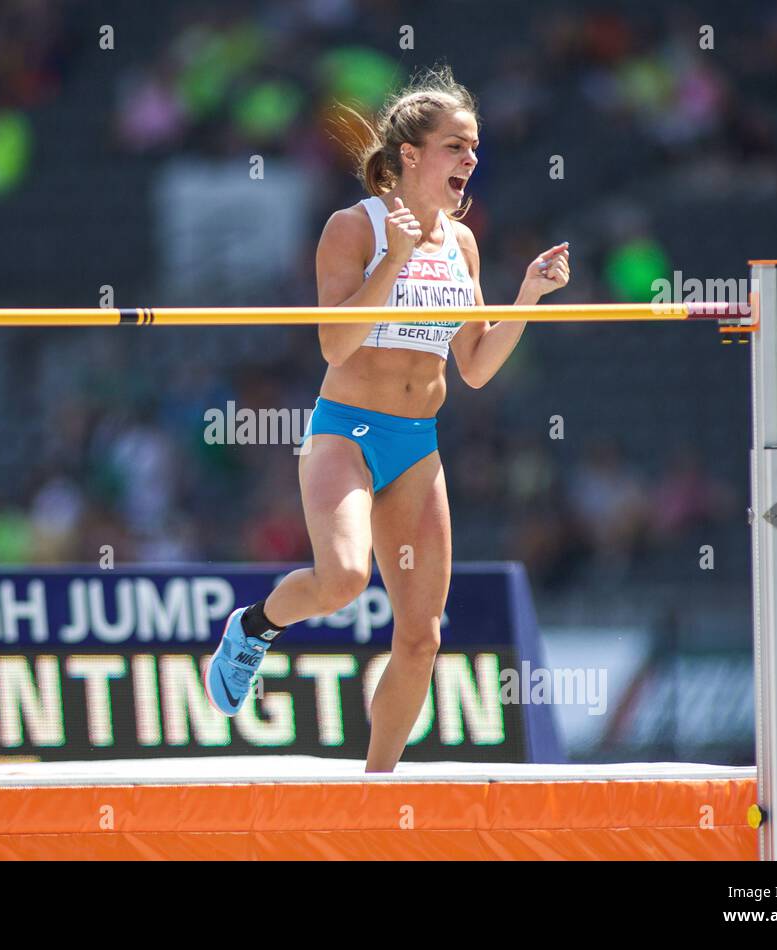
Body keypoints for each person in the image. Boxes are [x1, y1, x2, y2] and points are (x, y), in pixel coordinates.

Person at [206, 65, 570, 772]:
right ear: (410, 155)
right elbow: (334, 343)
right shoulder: (353, 228)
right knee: (343, 579)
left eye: (474, 147)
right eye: (455, 146)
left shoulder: (462, 244)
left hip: (416, 446)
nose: (471, 159)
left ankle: (376, 793)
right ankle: (255, 627)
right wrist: (393, 260)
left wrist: (528, 293)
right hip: (345, 434)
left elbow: (474, 365)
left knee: (421, 637)